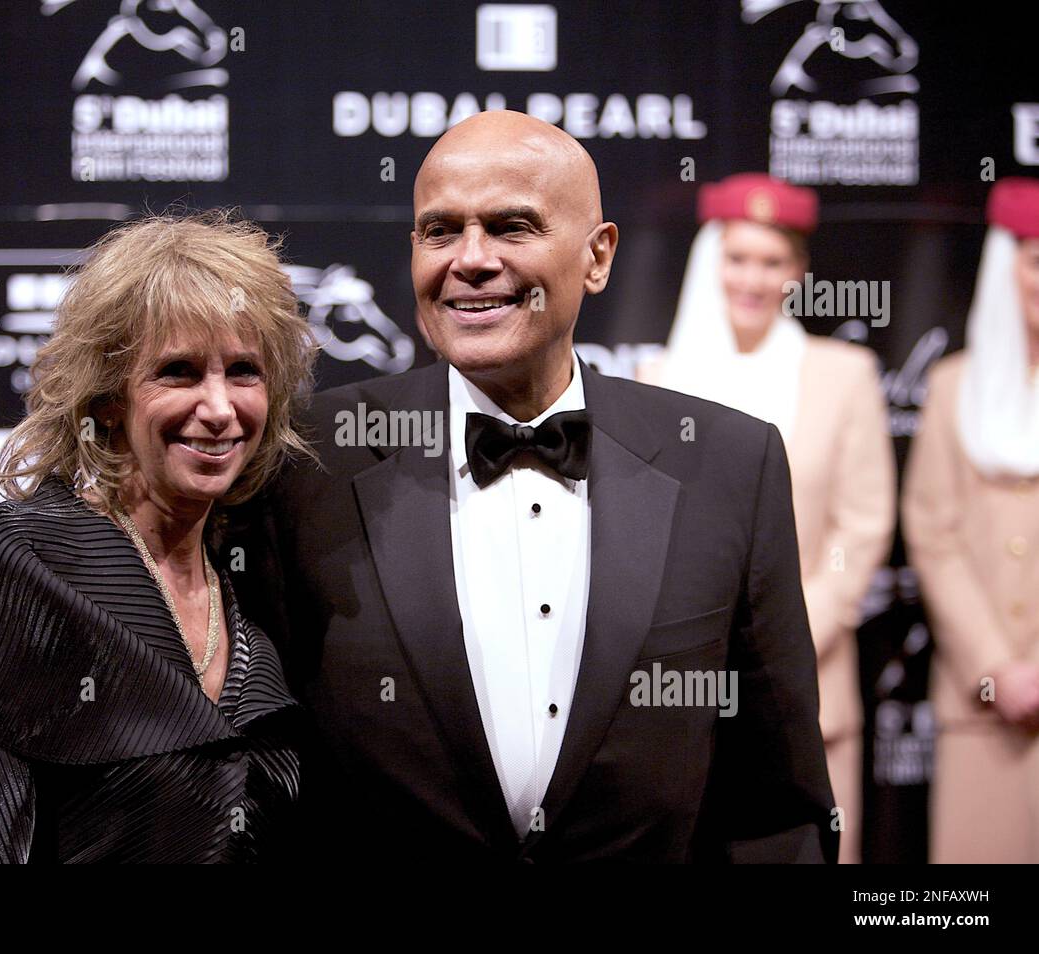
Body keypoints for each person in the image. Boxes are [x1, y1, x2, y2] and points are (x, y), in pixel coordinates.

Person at [239, 112, 837, 862]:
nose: (472, 259)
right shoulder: (306, 458)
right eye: (440, 231)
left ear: (598, 256)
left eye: (512, 226)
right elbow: (260, 777)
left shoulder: (727, 464)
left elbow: (777, 807)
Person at [0, 211, 317, 862]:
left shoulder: (252, 584)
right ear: (111, 397)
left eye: (244, 371)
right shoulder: (26, 567)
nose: (221, 409)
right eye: (180, 372)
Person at [637, 173, 896, 863]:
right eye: (738, 257)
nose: (752, 279)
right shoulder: (658, 378)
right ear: (711, 261)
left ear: (798, 273)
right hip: (683, 689)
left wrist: (796, 632)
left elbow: (865, 520)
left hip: (811, 681)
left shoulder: (845, 374)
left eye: (772, 261)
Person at [904, 176, 1039, 863]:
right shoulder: (957, 385)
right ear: (1006, 268)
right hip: (981, 703)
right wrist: (999, 665)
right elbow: (933, 531)